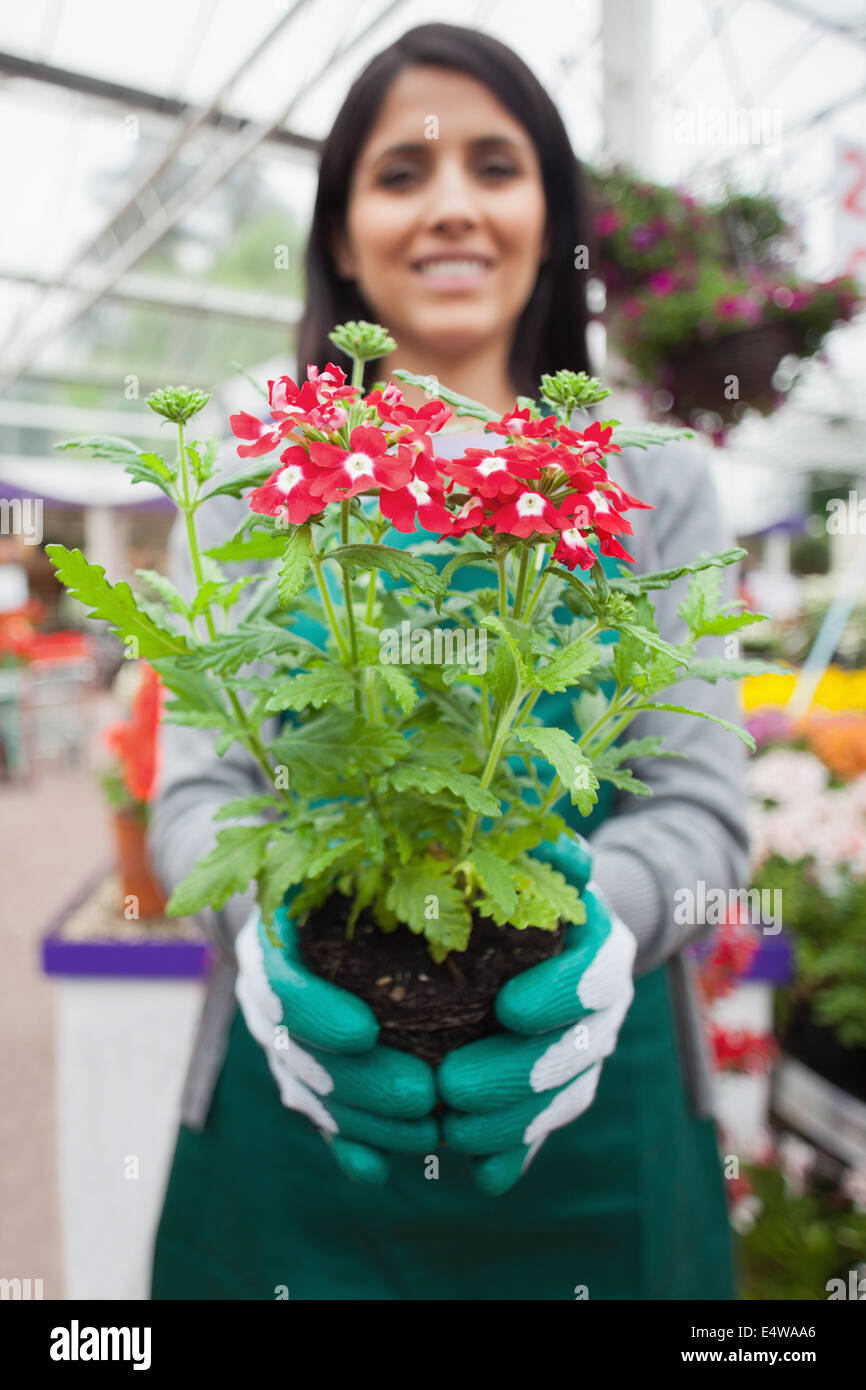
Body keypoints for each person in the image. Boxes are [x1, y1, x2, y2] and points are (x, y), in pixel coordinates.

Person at [148, 22, 748, 1300]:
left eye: (495, 163)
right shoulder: (267, 487)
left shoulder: (649, 479)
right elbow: (199, 798)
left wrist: (604, 934)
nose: (452, 208)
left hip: (602, 1134)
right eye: (401, 173)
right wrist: (261, 938)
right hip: (301, 1118)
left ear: (550, 215)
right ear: (341, 230)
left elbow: (698, 805)